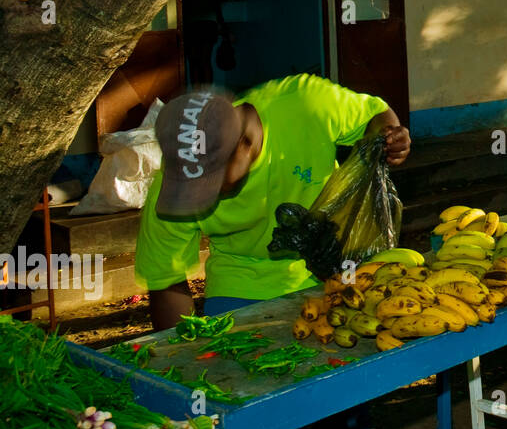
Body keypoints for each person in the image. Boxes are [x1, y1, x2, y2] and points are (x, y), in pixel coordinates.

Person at [136, 75, 411, 330]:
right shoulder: (176, 186)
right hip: (240, 281)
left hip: (335, 266)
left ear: (243, 144)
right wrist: (178, 356)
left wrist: (388, 137)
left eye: (212, 179)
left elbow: (374, 113)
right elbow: (165, 280)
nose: (199, 191)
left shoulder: (306, 104)